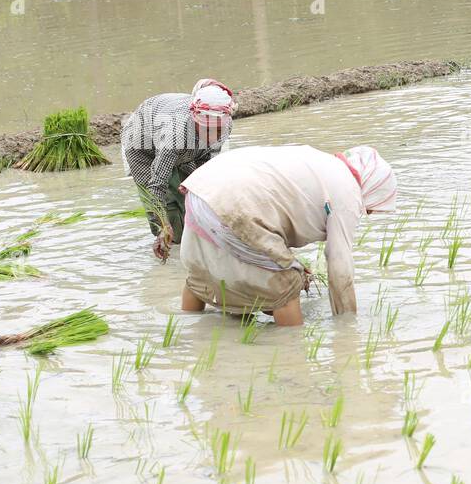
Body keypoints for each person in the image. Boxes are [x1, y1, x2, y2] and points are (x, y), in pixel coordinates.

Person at [177, 145, 397, 326]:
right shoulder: (348, 192)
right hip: (234, 203)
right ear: (371, 189)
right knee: (287, 283)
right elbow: (340, 270)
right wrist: (347, 326)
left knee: (201, 275)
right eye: (371, 208)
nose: (365, 212)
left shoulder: (321, 163)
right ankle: (290, 351)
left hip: (201, 189)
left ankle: (185, 330)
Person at [121, 79, 235, 261]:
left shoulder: (226, 126)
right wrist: (163, 225)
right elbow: (156, 186)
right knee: (172, 221)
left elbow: (206, 172)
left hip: (185, 149)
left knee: (191, 201)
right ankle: (175, 253)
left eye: (217, 129)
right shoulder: (176, 134)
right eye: (206, 128)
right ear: (194, 118)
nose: (212, 135)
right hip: (142, 146)